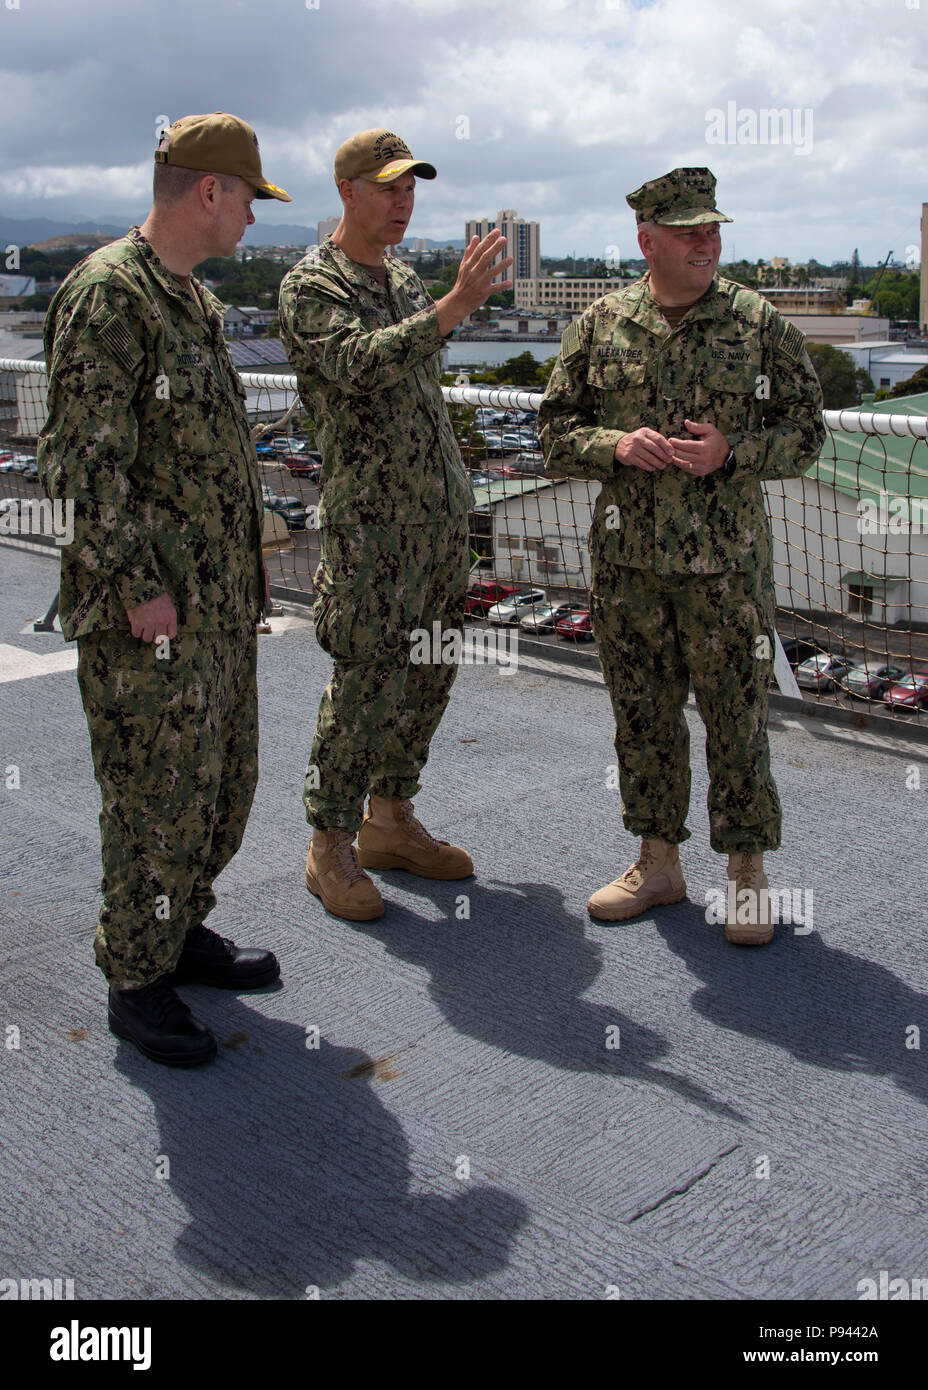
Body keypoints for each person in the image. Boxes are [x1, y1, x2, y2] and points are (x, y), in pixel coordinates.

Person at [38, 112, 290, 1065]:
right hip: (151, 614)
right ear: (209, 190)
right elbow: (81, 467)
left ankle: (179, 932)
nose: (253, 223)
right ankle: (136, 980)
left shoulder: (191, 297)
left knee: (221, 789)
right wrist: (140, 585)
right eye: (249, 200)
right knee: (154, 802)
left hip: (216, 608)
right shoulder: (110, 296)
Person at [538, 167, 825, 946]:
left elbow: (807, 431)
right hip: (629, 570)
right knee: (642, 721)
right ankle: (657, 861)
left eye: (713, 228)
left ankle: (746, 875)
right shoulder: (600, 324)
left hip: (725, 570)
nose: (707, 241)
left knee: (738, 722)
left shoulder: (757, 323)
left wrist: (735, 453)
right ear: (647, 240)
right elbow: (554, 430)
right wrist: (614, 444)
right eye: (690, 229)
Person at [278, 128, 512, 922]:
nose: (403, 201)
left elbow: (417, 377)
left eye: (411, 188)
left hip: (438, 518)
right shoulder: (313, 284)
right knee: (367, 681)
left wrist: (439, 305)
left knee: (429, 669)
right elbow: (359, 366)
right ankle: (329, 845)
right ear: (347, 190)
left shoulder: (405, 275)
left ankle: (391, 818)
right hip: (372, 527)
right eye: (388, 187)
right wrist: (453, 308)